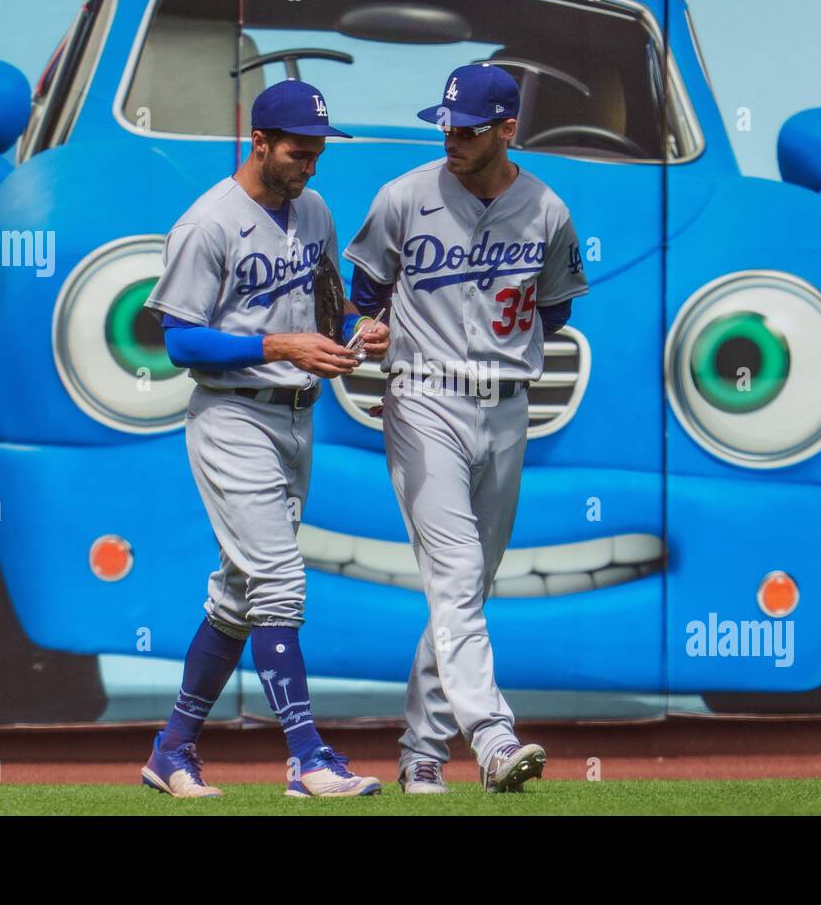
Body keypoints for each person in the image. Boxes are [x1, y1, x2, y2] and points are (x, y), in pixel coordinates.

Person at [139, 79, 390, 799]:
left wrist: (356, 334)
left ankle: (172, 749)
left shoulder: (312, 209)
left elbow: (329, 309)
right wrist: (284, 346)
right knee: (280, 584)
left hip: (296, 417)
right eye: (297, 152)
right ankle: (308, 759)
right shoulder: (208, 223)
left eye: (317, 152)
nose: (309, 165)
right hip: (232, 417)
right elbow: (182, 344)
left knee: (238, 597)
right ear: (258, 143)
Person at [344, 64, 589, 794]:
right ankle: (491, 736)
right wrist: (372, 328)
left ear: (507, 129)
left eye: (469, 127)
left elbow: (556, 311)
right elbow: (361, 297)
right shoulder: (404, 198)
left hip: (508, 406)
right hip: (423, 400)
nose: (451, 135)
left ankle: (422, 751)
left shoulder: (546, 209)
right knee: (455, 579)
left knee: (465, 591)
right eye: (445, 123)